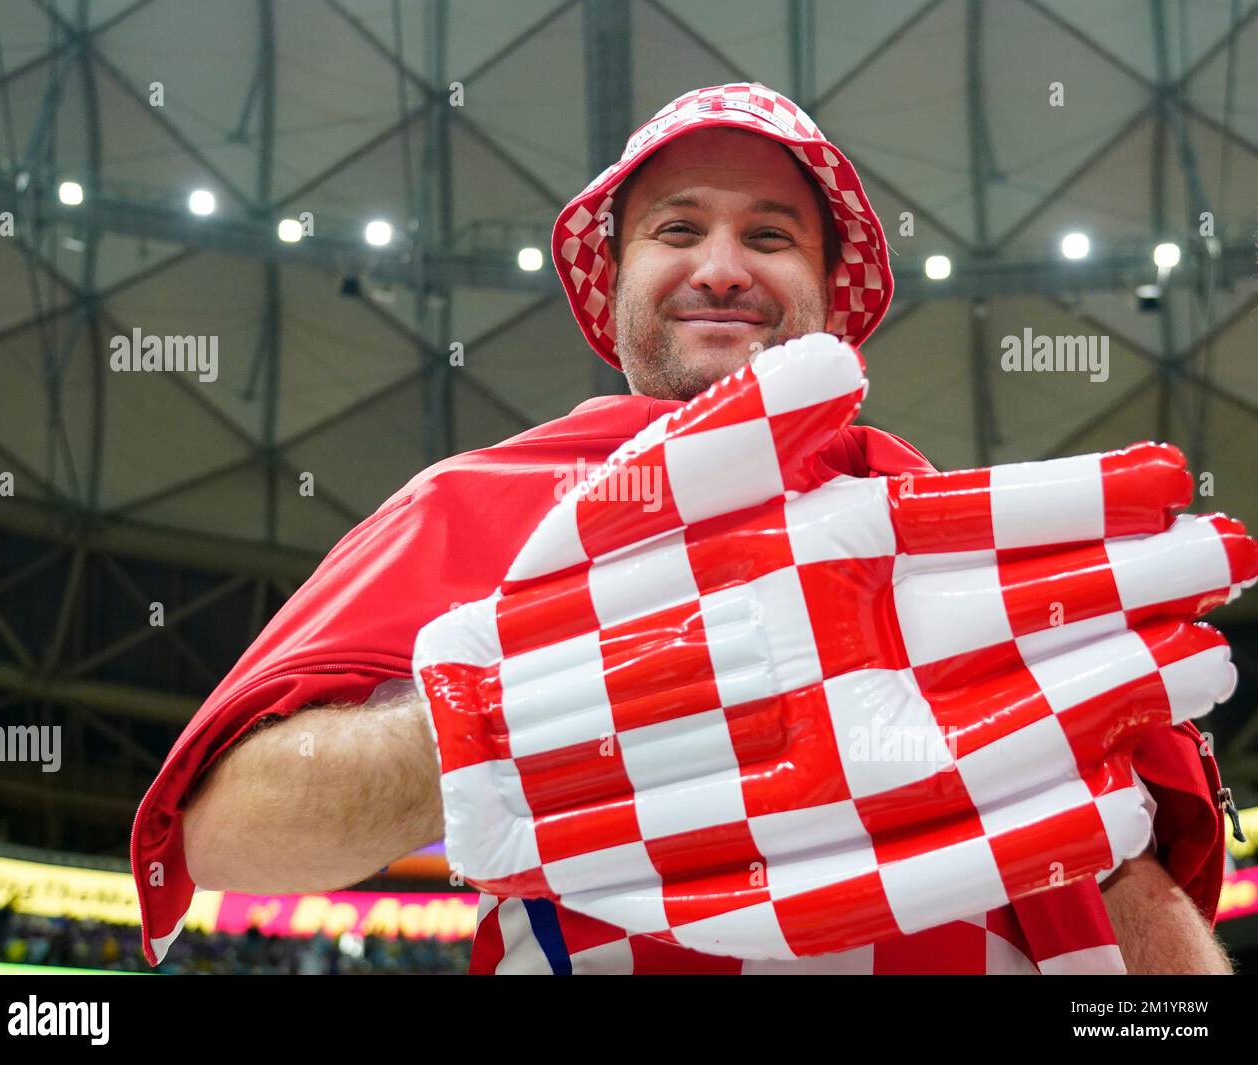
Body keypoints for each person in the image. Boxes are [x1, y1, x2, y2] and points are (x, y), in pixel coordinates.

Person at [132, 83, 1235, 974]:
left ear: (829, 295)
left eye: (769, 234)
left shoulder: (974, 556)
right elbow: (222, 835)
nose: (720, 267)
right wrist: (512, 722)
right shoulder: (482, 505)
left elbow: (1133, 882)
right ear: (611, 281)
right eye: (677, 229)